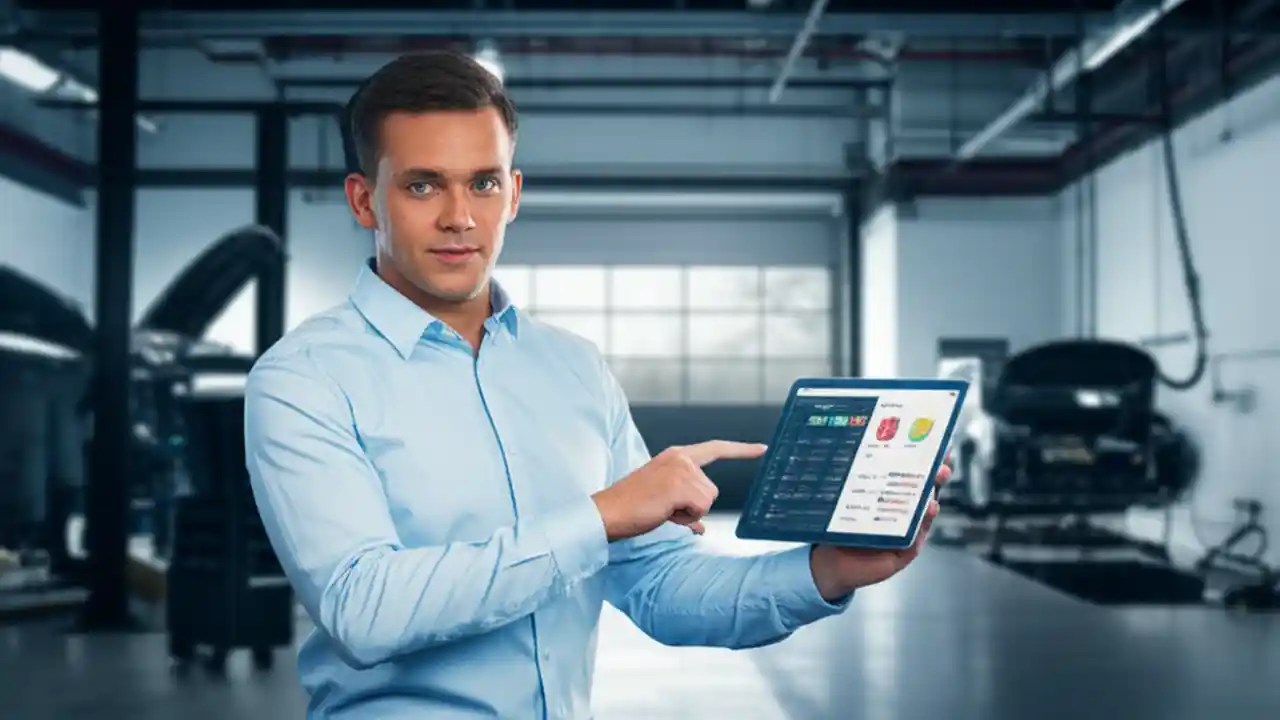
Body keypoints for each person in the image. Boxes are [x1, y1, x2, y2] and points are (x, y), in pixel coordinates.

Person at [243, 51, 950, 720]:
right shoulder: (304, 380)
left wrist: (826, 570)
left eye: (484, 182)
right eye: (423, 184)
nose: (460, 217)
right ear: (365, 200)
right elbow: (366, 611)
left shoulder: (573, 368)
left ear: (513, 194)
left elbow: (662, 587)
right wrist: (601, 515)